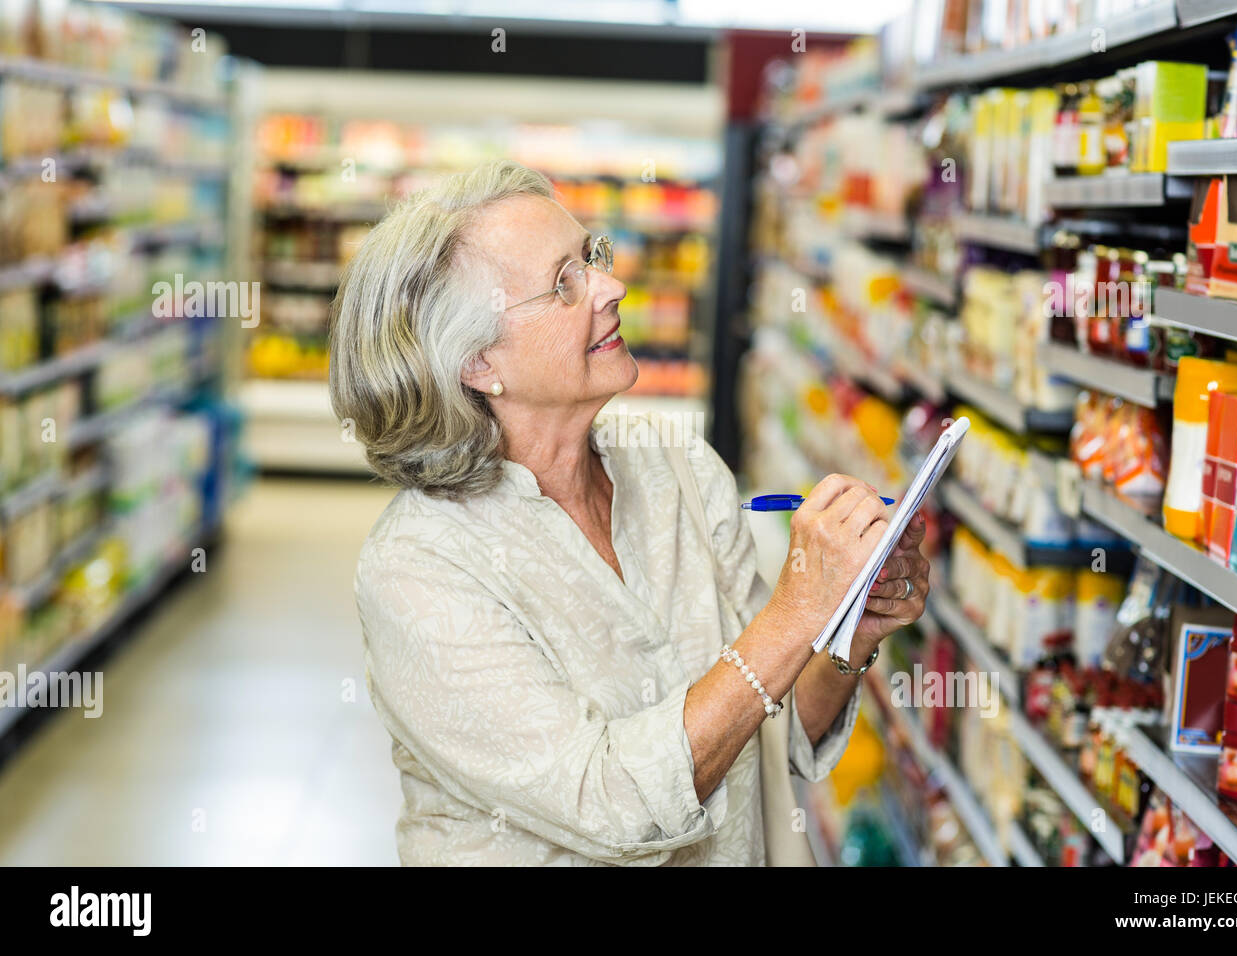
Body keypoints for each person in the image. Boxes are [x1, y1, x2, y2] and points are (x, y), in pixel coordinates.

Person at [328, 159, 930, 866]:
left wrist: (848, 626)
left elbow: (769, 731)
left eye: (593, 257)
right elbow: (613, 805)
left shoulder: (676, 468)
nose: (611, 287)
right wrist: (796, 613)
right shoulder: (420, 569)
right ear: (477, 363)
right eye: (564, 284)